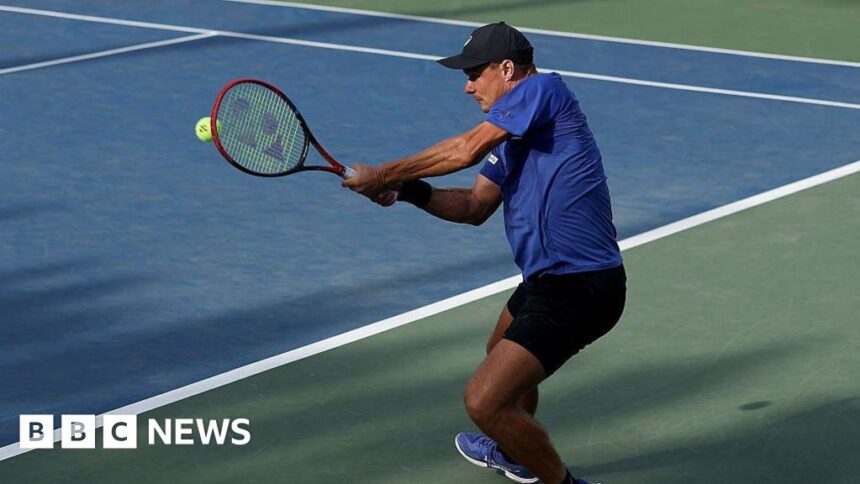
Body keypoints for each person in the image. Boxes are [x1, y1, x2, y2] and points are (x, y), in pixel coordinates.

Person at [343, 22, 626, 484]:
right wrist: (409, 190)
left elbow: (466, 149)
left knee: (484, 400)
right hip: (546, 280)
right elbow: (475, 206)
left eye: (475, 73)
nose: (468, 85)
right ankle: (515, 452)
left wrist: (385, 173)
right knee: (499, 353)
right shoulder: (515, 139)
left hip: (583, 285)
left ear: (508, 69)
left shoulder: (543, 90)